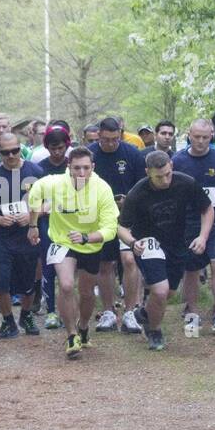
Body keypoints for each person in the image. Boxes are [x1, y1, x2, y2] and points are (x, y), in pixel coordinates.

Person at [28, 147, 118, 359]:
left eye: (86, 168)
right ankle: (71, 335)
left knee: (86, 292)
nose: (81, 173)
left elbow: (111, 228)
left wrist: (88, 237)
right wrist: (33, 225)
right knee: (67, 285)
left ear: (93, 167)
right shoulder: (55, 183)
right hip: (62, 240)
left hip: (90, 244)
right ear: (68, 167)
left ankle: (83, 326)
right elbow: (34, 193)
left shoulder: (102, 189)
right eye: (77, 168)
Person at [118, 151, 213, 351]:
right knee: (160, 291)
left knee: (168, 292)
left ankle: (145, 313)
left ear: (172, 166)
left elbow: (207, 209)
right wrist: (132, 242)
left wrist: (203, 236)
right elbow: (121, 227)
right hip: (148, 243)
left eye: (168, 174)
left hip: (176, 243)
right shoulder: (137, 193)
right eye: (158, 177)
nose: (165, 180)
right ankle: (154, 331)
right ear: (147, 172)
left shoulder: (186, 183)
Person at [173, 119, 215, 334]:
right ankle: (192, 313)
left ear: (211, 135)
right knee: (191, 268)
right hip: (190, 220)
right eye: (197, 137)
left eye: (205, 137)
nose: (201, 141)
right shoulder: (178, 160)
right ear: (189, 135)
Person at [0, 132, 45, 340]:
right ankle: (8, 320)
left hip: (27, 234)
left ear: (21, 148)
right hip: (0, 236)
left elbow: (49, 202)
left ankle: (26, 315)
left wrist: (32, 216)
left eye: (15, 151)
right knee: (0, 281)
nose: (10, 155)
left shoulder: (36, 171)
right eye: (5, 152)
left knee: (28, 280)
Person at [89, 116, 146, 333]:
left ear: (120, 135)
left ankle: (131, 311)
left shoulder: (132, 153)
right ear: (98, 136)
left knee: (129, 260)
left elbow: (143, 186)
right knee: (105, 264)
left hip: (128, 217)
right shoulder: (90, 155)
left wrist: (128, 200)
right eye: (106, 140)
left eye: (115, 139)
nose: (111, 143)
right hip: (100, 217)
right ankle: (109, 312)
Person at [34, 127, 72, 329]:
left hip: (72, 222)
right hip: (47, 223)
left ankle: (69, 310)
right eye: (52, 148)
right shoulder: (39, 169)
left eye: (60, 148)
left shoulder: (73, 166)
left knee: (71, 267)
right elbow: (32, 202)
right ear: (46, 147)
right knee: (48, 265)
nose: (57, 152)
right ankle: (50, 311)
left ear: (67, 146)